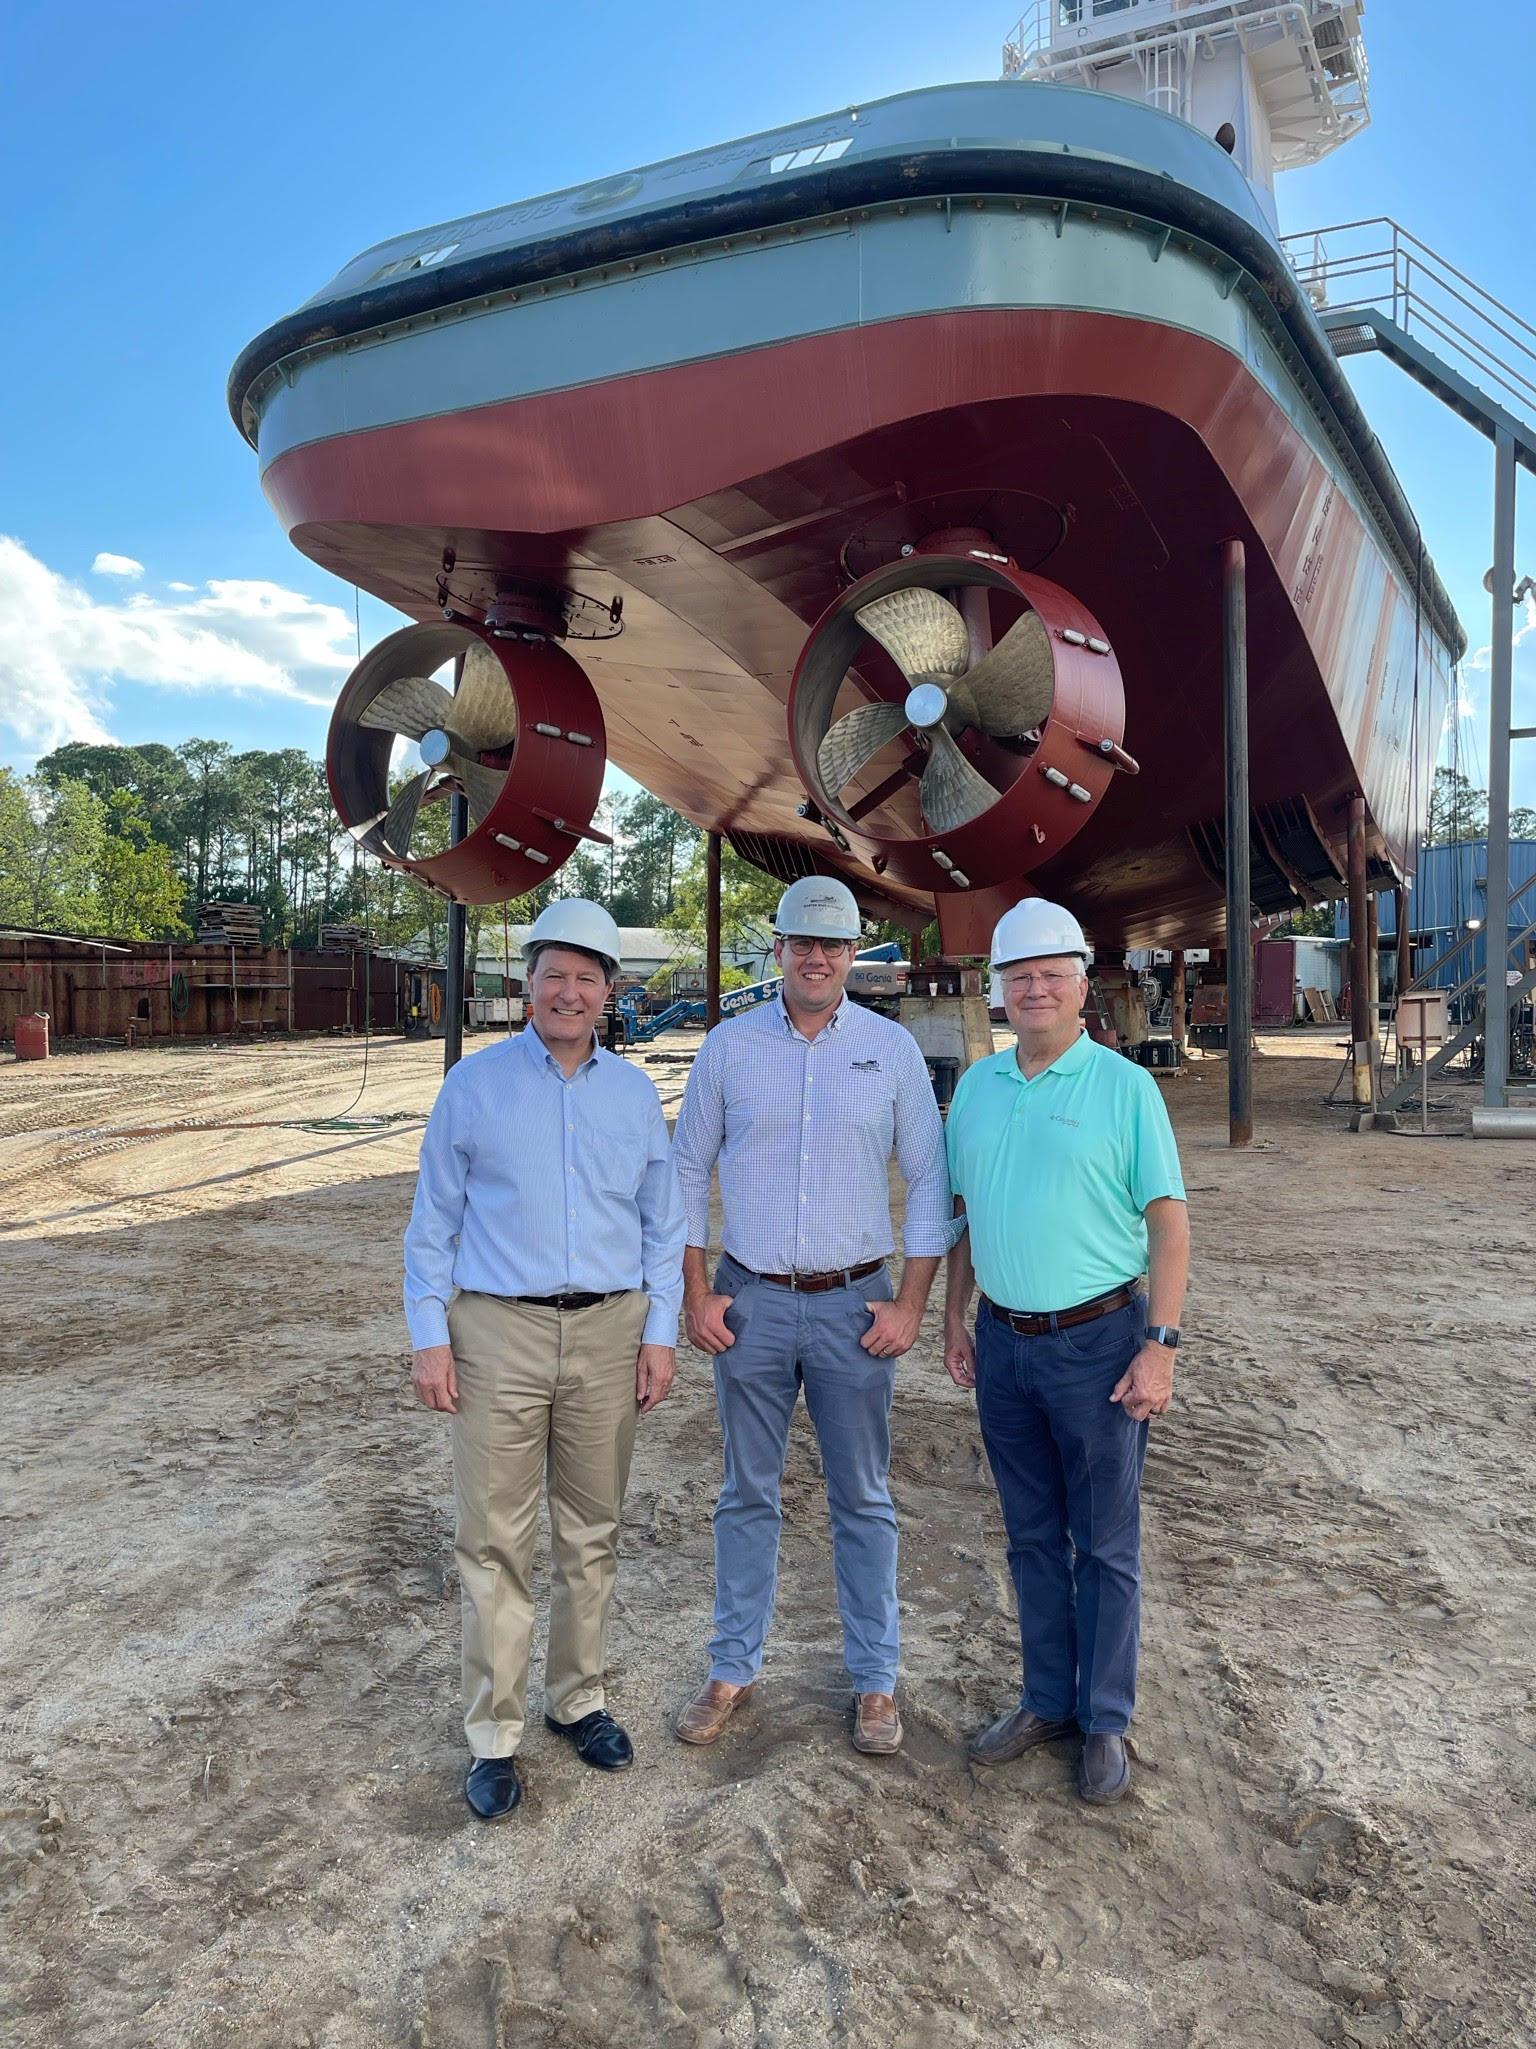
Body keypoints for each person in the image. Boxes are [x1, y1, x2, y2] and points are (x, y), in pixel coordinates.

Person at [404, 900, 685, 1821]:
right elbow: (433, 1223)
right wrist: (429, 1336)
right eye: (553, 975)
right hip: (498, 1333)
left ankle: (579, 1697)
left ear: (611, 991)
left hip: (609, 1331)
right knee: (492, 1538)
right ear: (528, 984)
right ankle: (493, 1734)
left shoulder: (634, 1094)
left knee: (591, 1528)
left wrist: (659, 1330)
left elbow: (663, 1221)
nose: (570, 992)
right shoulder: (475, 1088)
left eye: (588, 977)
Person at [672, 876, 954, 1756]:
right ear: (779, 948)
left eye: (834, 945)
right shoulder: (727, 1048)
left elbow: (930, 1182)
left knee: (862, 1496)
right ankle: (731, 1665)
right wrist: (695, 1293)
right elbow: (685, 1174)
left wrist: (911, 1302)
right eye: (803, 942)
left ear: (853, 952)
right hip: (750, 1303)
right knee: (745, 1492)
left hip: (853, 1307)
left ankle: (874, 1680)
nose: (818, 958)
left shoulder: (890, 1050)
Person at [943, 898, 1189, 1805]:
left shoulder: (1125, 1089)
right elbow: (966, 1213)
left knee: (1107, 1543)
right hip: (1005, 1347)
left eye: (1051, 973)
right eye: (1019, 975)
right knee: (1032, 1537)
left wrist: (1159, 1346)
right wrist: (953, 1316)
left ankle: (1106, 1719)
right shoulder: (977, 1088)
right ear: (999, 989)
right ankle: (1047, 1699)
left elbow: (1169, 1227)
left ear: (1083, 983)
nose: (1034, 987)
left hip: (1099, 1345)